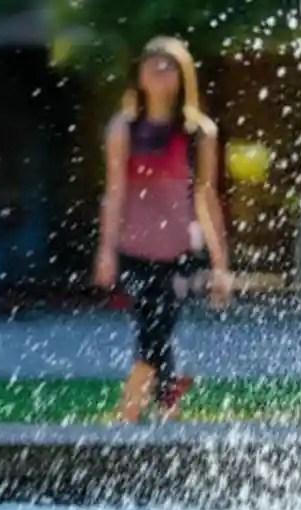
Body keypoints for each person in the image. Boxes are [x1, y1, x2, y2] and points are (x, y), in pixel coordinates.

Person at [93, 36, 233, 423]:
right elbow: (114, 193)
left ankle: (139, 412)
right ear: (139, 75)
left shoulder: (198, 132)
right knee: (152, 328)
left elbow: (206, 196)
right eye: (152, 64)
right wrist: (105, 250)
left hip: (180, 251)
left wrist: (220, 264)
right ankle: (157, 407)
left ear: (182, 75)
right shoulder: (124, 128)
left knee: (157, 328)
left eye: (168, 65)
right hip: (134, 248)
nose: (159, 72)